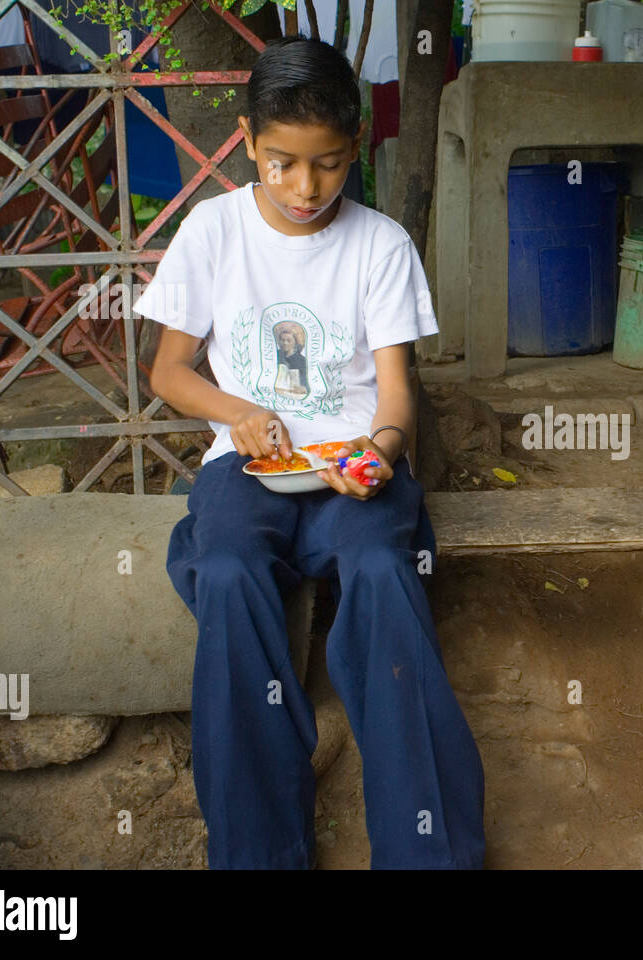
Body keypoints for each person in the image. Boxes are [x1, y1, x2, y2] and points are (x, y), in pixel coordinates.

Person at [135, 35, 486, 870]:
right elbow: (169, 371)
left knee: (380, 568)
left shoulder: (381, 244)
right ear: (250, 143)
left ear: (354, 147)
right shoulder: (212, 231)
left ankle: (427, 854)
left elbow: (398, 392)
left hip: (351, 471)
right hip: (245, 468)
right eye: (282, 163)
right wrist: (239, 412)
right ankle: (258, 853)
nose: (304, 187)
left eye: (327, 164)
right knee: (225, 572)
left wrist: (380, 452)